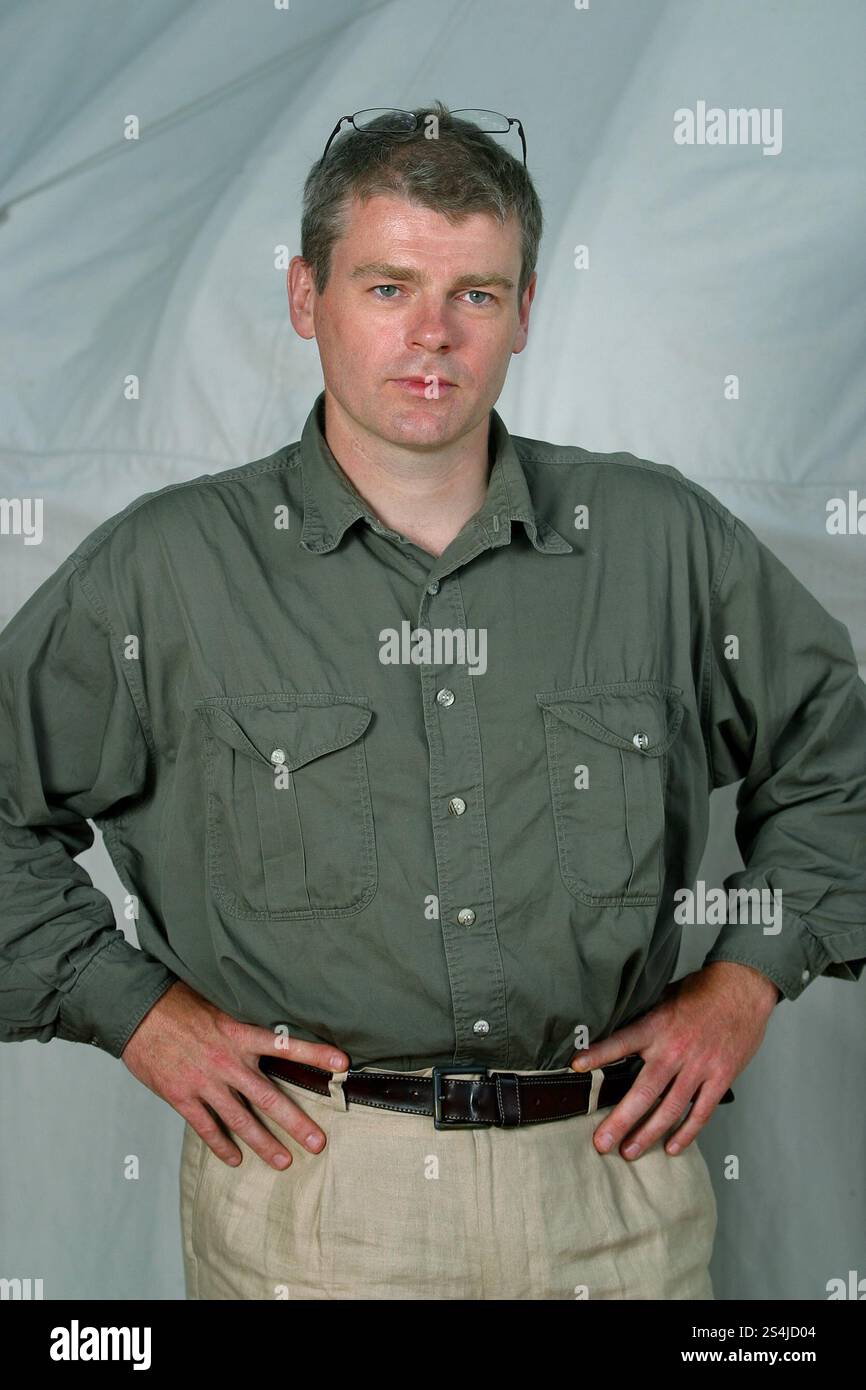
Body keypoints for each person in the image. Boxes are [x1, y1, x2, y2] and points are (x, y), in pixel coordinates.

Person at [1, 102, 864, 1302]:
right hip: (310, 1203)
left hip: (614, 1194)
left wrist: (749, 976)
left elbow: (842, 759)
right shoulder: (169, 569)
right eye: (386, 285)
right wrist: (136, 1011)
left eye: (474, 294)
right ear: (306, 299)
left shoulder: (657, 540)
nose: (430, 336)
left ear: (522, 314)